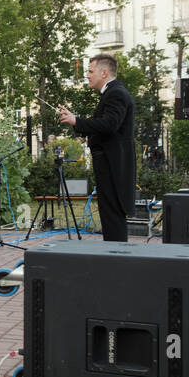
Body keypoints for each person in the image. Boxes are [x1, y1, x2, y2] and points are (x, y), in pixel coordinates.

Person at [60, 53, 135, 241]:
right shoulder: (112, 93)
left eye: (91, 71)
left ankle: (116, 257)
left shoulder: (116, 93)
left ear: (104, 72)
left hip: (113, 165)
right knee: (109, 213)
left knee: (112, 213)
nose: (87, 75)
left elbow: (109, 124)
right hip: (109, 164)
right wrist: (84, 130)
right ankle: (113, 255)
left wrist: (76, 121)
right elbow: (105, 126)